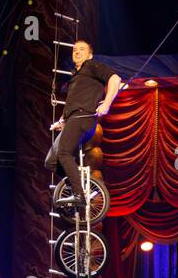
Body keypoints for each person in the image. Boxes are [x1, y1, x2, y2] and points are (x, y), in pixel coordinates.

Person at [45, 39, 122, 211]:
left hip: (83, 118)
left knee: (64, 153)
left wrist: (107, 103)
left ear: (90, 54)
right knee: (51, 161)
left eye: (81, 49)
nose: (77, 52)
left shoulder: (91, 66)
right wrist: (62, 122)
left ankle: (79, 195)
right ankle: (79, 186)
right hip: (72, 120)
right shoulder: (76, 77)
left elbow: (115, 79)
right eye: (74, 50)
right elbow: (75, 102)